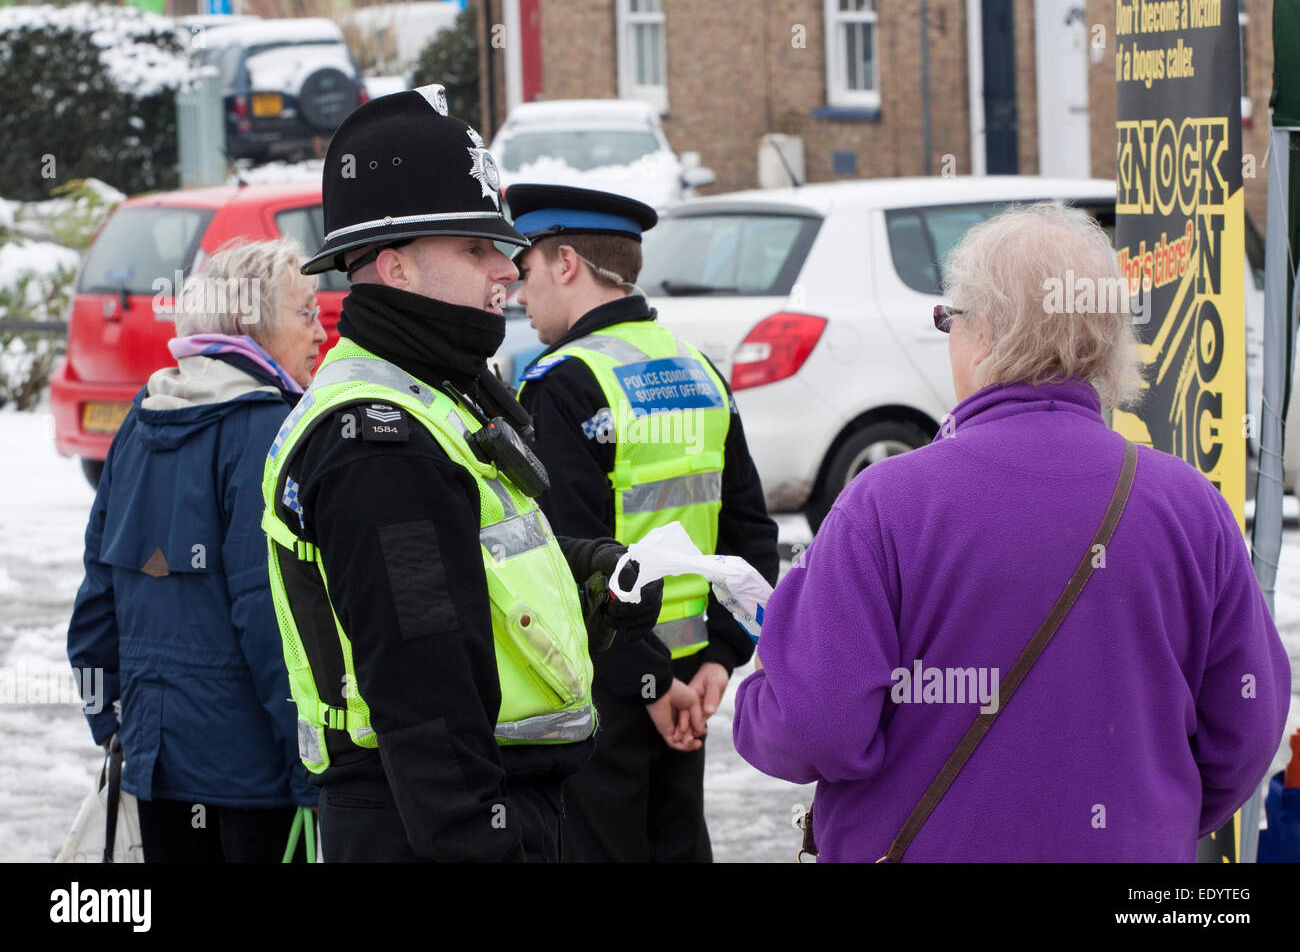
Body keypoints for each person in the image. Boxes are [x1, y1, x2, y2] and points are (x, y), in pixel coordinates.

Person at [732, 203, 1293, 862]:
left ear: (985, 333)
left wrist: (765, 681)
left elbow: (818, 728)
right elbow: (1249, 726)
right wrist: (1152, 816)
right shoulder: (1192, 506)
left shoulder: (885, 505)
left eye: (949, 319)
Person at [261, 86, 661, 863]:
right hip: (437, 827)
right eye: (475, 248)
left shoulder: (431, 391)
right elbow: (423, 697)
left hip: (474, 808)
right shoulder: (379, 442)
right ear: (397, 267)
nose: (505, 269)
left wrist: (588, 574)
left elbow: (470, 565)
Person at [508, 183, 780, 862]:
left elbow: (562, 561)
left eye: (525, 269)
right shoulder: (699, 371)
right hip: (688, 689)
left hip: (608, 692)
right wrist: (721, 657)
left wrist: (650, 681)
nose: (517, 293)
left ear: (564, 262)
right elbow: (750, 534)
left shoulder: (561, 384)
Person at [67, 238, 325, 862]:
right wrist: (311, 769)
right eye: (305, 313)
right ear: (250, 325)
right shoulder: (266, 429)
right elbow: (272, 621)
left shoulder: (144, 418)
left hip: (157, 773)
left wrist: (119, 735)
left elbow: (94, 610)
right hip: (252, 783)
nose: (322, 331)